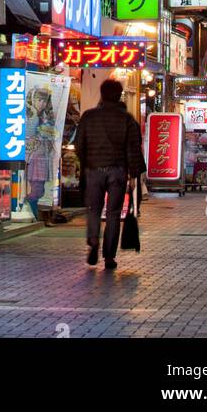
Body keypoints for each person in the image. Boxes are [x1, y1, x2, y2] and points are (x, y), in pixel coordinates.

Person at [74, 78, 145, 270]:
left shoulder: (89, 117)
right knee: (113, 214)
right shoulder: (127, 119)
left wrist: (87, 163)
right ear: (119, 95)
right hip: (118, 171)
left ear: (102, 94)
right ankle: (109, 257)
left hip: (94, 171)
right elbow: (133, 149)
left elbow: (79, 145)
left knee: (94, 210)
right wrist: (134, 175)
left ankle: (93, 240)